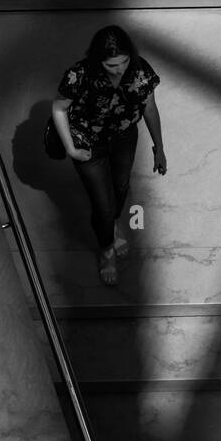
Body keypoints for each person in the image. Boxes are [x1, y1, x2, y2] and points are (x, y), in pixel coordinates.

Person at [51, 25, 166, 286]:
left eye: (123, 61)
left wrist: (159, 148)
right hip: (88, 142)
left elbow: (149, 107)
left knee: (121, 186)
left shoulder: (139, 70)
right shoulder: (79, 74)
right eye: (111, 64)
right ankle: (106, 250)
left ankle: (114, 224)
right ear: (98, 59)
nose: (119, 69)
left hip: (124, 137)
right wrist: (70, 148)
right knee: (102, 206)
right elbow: (58, 109)